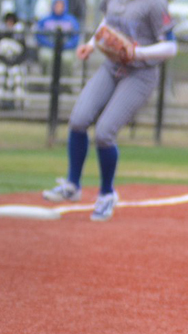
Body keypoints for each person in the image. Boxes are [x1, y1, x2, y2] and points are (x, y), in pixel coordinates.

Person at [41, 0, 177, 221]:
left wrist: (137, 53)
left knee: (104, 132)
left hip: (141, 74)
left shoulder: (153, 4)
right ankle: (72, 185)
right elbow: (108, 23)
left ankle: (106, 195)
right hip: (112, 66)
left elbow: (171, 47)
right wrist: (92, 44)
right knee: (78, 120)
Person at [0, 13, 29, 108]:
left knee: (17, 74)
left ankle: (18, 104)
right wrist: (3, 60)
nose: (9, 24)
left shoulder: (19, 34)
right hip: (1, 62)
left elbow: (24, 52)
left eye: (12, 22)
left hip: (15, 63)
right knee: (0, 72)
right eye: (8, 21)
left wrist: (14, 62)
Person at [35, 0, 81, 77]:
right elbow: (38, 35)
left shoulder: (71, 20)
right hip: (49, 47)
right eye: (57, 5)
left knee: (67, 59)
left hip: (66, 48)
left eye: (60, 5)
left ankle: (66, 84)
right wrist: (49, 44)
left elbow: (75, 38)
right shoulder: (45, 20)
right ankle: (47, 82)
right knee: (46, 57)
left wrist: (65, 45)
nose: (58, 8)